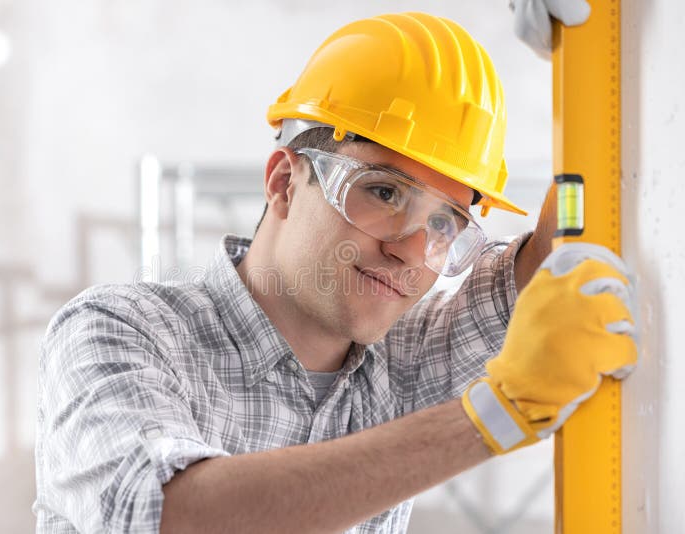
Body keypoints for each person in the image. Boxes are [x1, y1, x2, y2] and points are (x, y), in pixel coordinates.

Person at [33, 9, 636, 534]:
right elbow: (168, 518)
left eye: (445, 223)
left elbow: (553, 257)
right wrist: (489, 418)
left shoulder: (398, 364)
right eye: (382, 192)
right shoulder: (118, 331)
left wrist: (579, 65)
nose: (410, 250)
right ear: (283, 182)